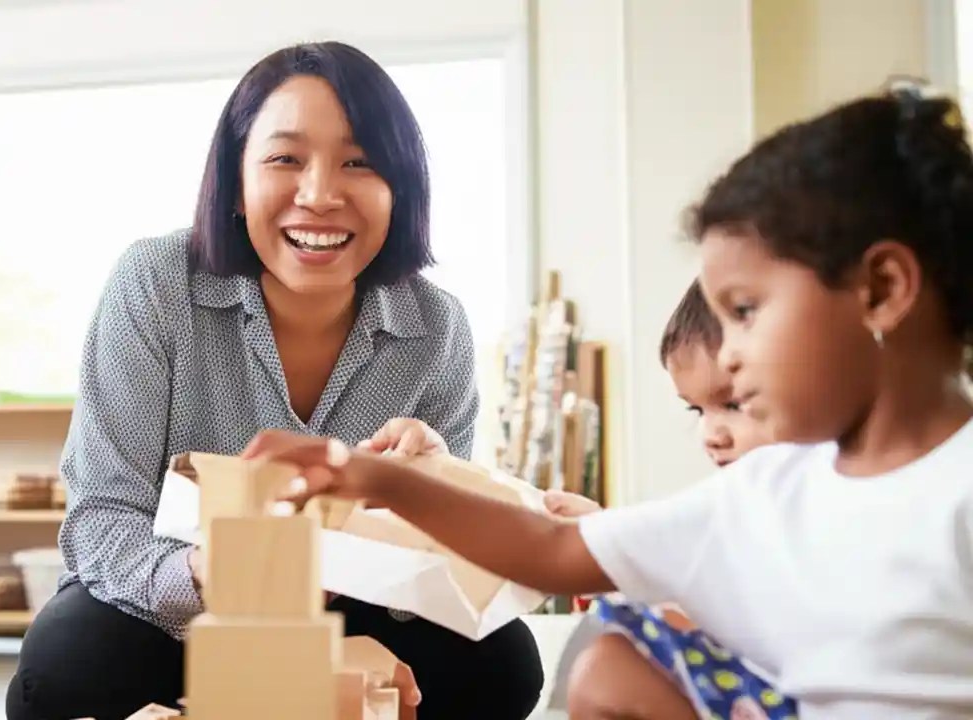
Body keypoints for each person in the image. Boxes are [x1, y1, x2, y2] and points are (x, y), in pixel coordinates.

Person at [247, 84, 973, 719]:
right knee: (611, 665)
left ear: (881, 290)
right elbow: (555, 550)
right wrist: (379, 478)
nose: (730, 355)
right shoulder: (768, 490)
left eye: (747, 311)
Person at [6, 41, 544, 720]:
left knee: (506, 666)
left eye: (359, 161)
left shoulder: (436, 329)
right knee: (61, 671)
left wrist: (422, 488)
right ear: (235, 182)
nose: (319, 194)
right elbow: (100, 520)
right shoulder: (154, 284)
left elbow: (436, 560)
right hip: (181, 611)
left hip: (353, 613)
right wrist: (201, 574)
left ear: (399, 187)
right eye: (285, 159)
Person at [541, 279, 772, 710]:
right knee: (604, 664)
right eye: (697, 410)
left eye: (734, 404)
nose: (711, 435)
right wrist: (601, 532)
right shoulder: (735, 504)